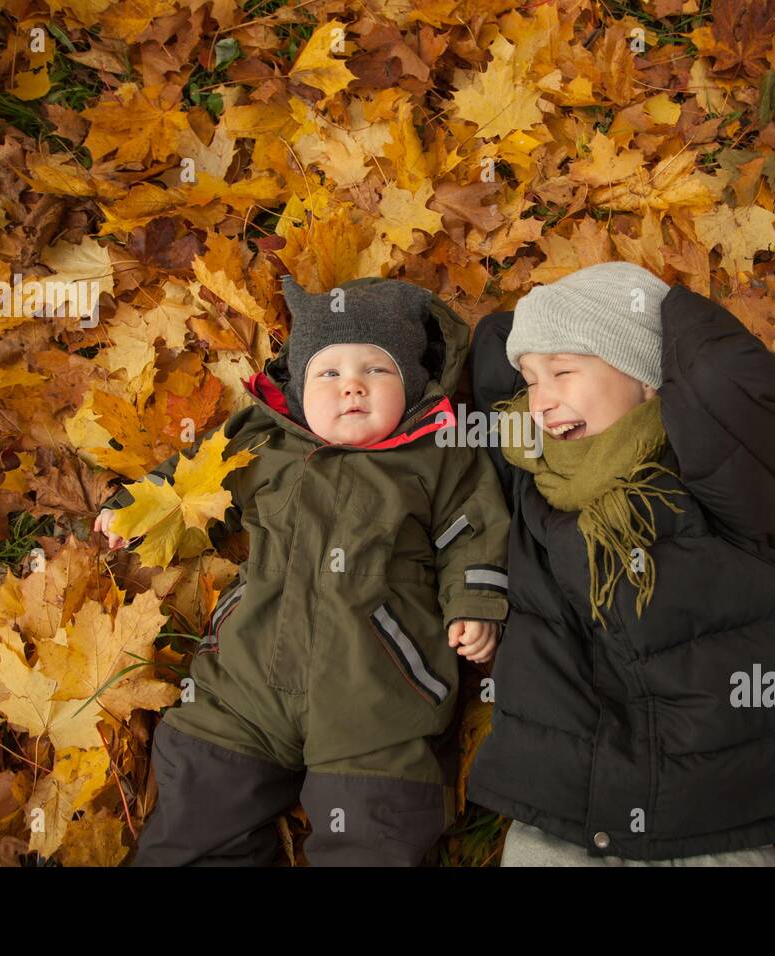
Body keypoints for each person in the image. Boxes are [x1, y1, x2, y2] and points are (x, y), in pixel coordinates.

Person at [96, 275, 511, 866]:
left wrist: (475, 604)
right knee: (200, 807)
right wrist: (139, 505)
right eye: (330, 373)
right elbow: (196, 480)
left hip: (378, 694)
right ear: (298, 385)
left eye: (377, 371)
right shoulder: (264, 440)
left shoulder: (440, 454)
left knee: (378, 831)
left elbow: (475, 531)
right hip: (247, 680)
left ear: (416, 386)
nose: (352, 389)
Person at [465, 261, 775, 866]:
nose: (541, 401)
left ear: (647, 380)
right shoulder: (525, 472)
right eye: (530, 379)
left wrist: (660, 309)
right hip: (566, 792)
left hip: (714, 790)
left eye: (565, 371)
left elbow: (728, 377)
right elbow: (485, 364)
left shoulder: (711, 464)